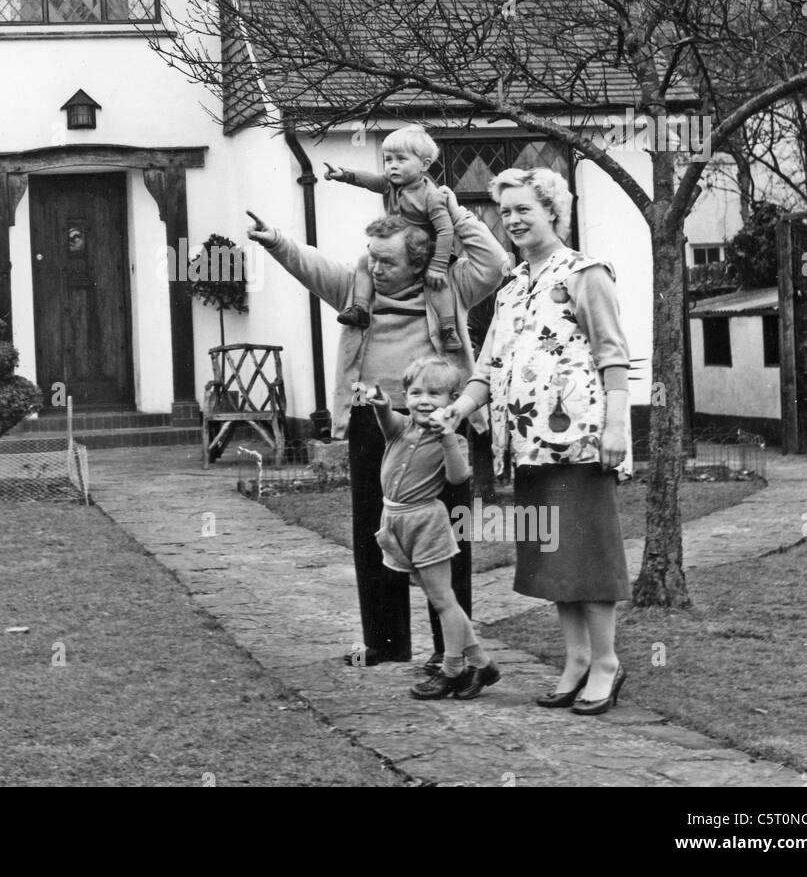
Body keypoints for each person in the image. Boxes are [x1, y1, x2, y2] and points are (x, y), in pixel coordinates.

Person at [246, 189, 506, 667]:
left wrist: (449, 209)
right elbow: (313, 266)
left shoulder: (450, 284)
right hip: (375, 420)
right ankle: (386, 644)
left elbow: (495, 260)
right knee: (376, 528)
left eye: (387, 261)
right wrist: (276, 240)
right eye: (372, 259)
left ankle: (448, 650)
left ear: (418, 261)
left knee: (448, 535)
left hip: (440, 419)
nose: (376, 268)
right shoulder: (358, 291)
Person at [430, 167, 631, 715]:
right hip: (526, 445)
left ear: (553, 212)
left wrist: (616, 427)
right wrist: (458, 409)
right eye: (507, 211)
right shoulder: (513, 285)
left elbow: (614, 357)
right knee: (553, 559)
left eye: (525, 210)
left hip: (580, 444)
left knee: (588, 556)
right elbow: (488, 366)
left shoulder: (584, 273)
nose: (514, 220)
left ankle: (607, 663)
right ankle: (575, 660)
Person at [362, 357, 501, 701]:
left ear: (452, 401)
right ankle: (482, 664)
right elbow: (386, 416)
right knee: (440, 599)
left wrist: (449, 437)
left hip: (426, 524)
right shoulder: (401, 427)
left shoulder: (450, 438)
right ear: (405, 396)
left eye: (435, 394)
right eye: (415, 392)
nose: (424, 400)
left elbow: (457, 477)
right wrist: (380, 404)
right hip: (396, 522)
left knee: (443, 601)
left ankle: (452, 670)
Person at [324, 125, 462, 350]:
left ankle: (448, 328)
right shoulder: (389, 185)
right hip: (396, 248)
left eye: (400, 159)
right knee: (364, 263)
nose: (392, 165)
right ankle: (359, 308)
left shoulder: (431, 195)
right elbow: (367, 180)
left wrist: (437, 265)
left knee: (439, 282)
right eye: (388, 160)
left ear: (424, 165)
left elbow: (446, 231)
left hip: (427, 250)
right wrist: (344, 175)